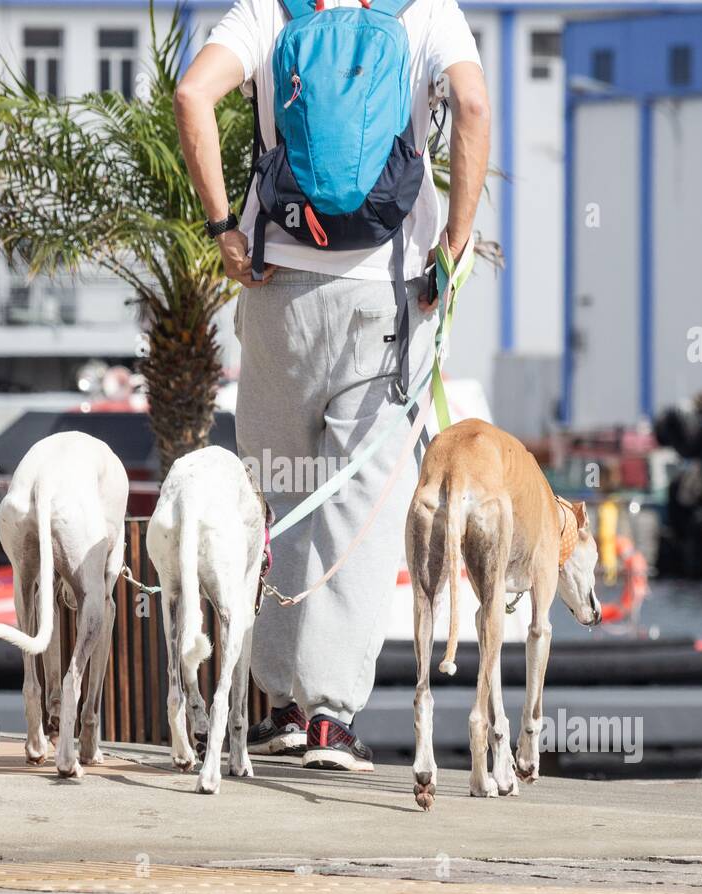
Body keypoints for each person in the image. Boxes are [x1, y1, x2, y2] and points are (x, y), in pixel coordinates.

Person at [174, 0, 490, 771]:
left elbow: (191, 96)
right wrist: (452, 242)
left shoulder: (267, 10)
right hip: (388, 292)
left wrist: (225, 227)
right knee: (360, 506)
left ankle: (276, 699)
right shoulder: (424, 12)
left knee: (277, 497)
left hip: (278, 288)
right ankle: (328, 717)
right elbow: (474, 104)